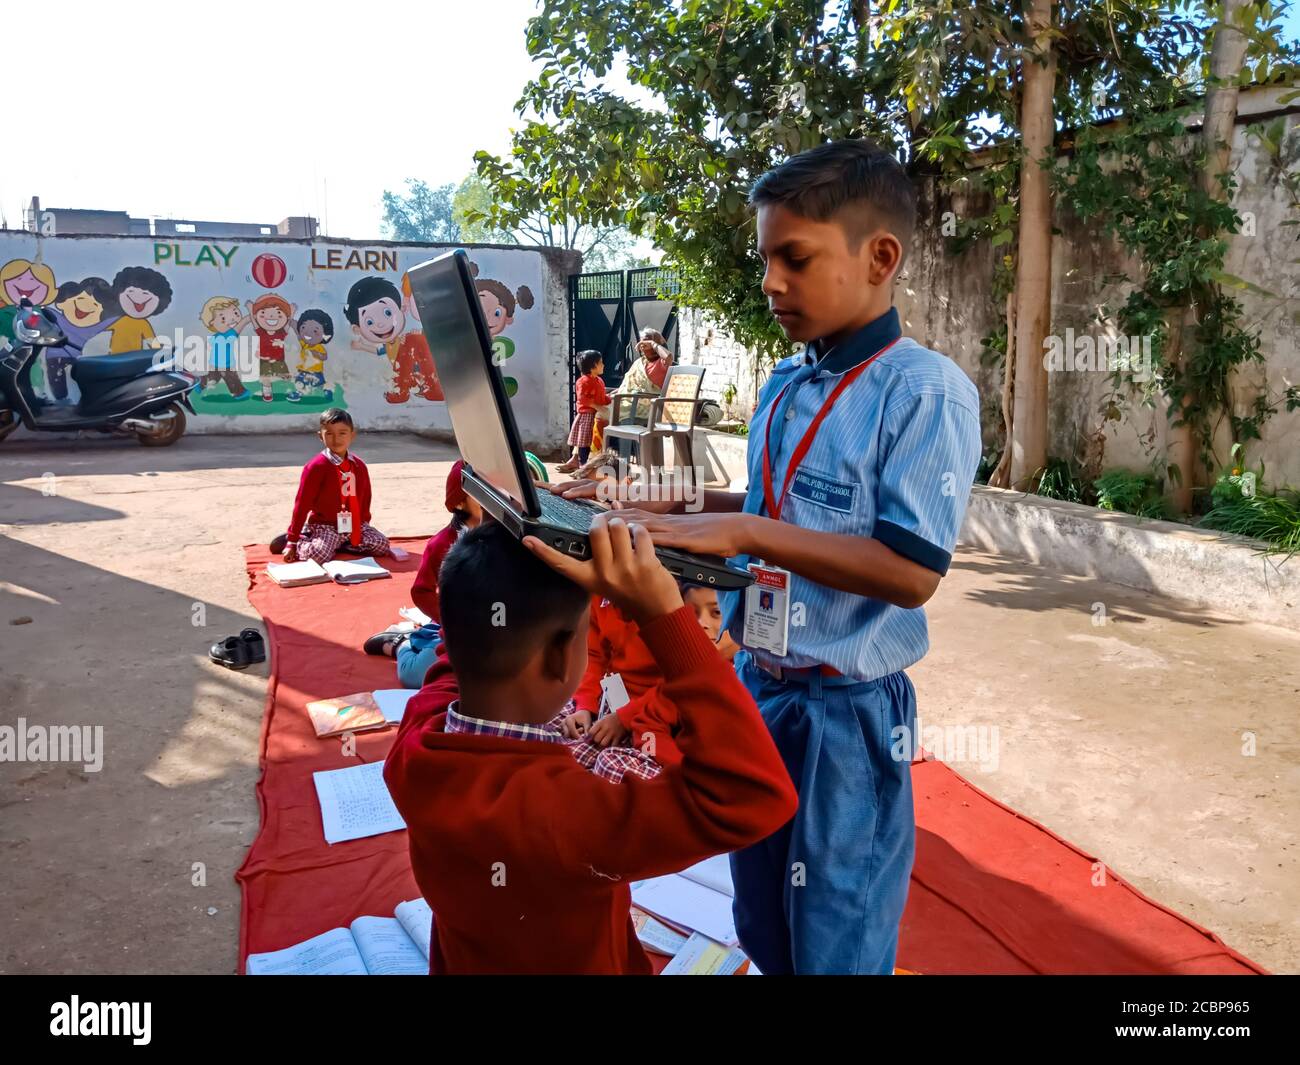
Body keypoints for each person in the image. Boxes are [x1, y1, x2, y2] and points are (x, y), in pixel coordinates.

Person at [548, 139, 982, 975]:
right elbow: (766, 510)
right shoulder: (784, 382)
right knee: (762, 913)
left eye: (796, 257)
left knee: (836, 930)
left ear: (880, 257)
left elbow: (911, 571)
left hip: (847, 713)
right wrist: (670, 510)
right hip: (760, 687)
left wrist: (746, 536)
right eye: (765, 259)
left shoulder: (924, 391)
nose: (771, 281)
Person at [383, 517, 797, 974]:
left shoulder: (418, 738)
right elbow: (756, 795)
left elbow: (458, 645)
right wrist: (665, 618)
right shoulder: (563, 812)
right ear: (563, 656)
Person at [363, 460, 482, 688]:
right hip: (457, 629)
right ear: (459, 502)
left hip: (498, 628)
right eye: (482, 494)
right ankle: (401, 643)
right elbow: (422, 591)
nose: (494, 501)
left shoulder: (506, 536)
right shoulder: (442, 544)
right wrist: (451, 621)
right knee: (416, 676)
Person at [281, 408, 391, 563]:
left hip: (353, 524)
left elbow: (366, 497)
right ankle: (302, 539)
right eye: (329, 433)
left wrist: (364, 525)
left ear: (352, 435)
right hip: (325, 526)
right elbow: (302, 504)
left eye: (342, 433)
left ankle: (340, 544)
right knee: (317, 556)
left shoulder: (359, 465)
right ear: (320, 436)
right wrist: (292, 540)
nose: (336, 439)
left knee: (382, 545)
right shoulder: (316, 466)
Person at [557, 350, 610, 473]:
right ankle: (582, 467)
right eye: (600, 363)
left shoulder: (599, 381)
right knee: (584, 443)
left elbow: (602, 397)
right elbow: (582, 398)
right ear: (592, 366)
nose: (603, 365)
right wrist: (597, 407)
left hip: (595, 415)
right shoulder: (583, 381)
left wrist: (609, 399)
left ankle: (583, 465)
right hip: (587, 415)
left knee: (590, 441)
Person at [611, 327, 674, 426]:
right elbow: (627, 386)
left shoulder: (660, 363)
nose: (641, 344)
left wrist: (653, 344)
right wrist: (612, 393)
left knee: (602, 410)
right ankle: (600, 441)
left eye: (647, 341)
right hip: (627, 400)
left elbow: (669, 357)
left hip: (643, 405)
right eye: (641, 341)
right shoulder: (639, 362)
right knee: (598, 405)